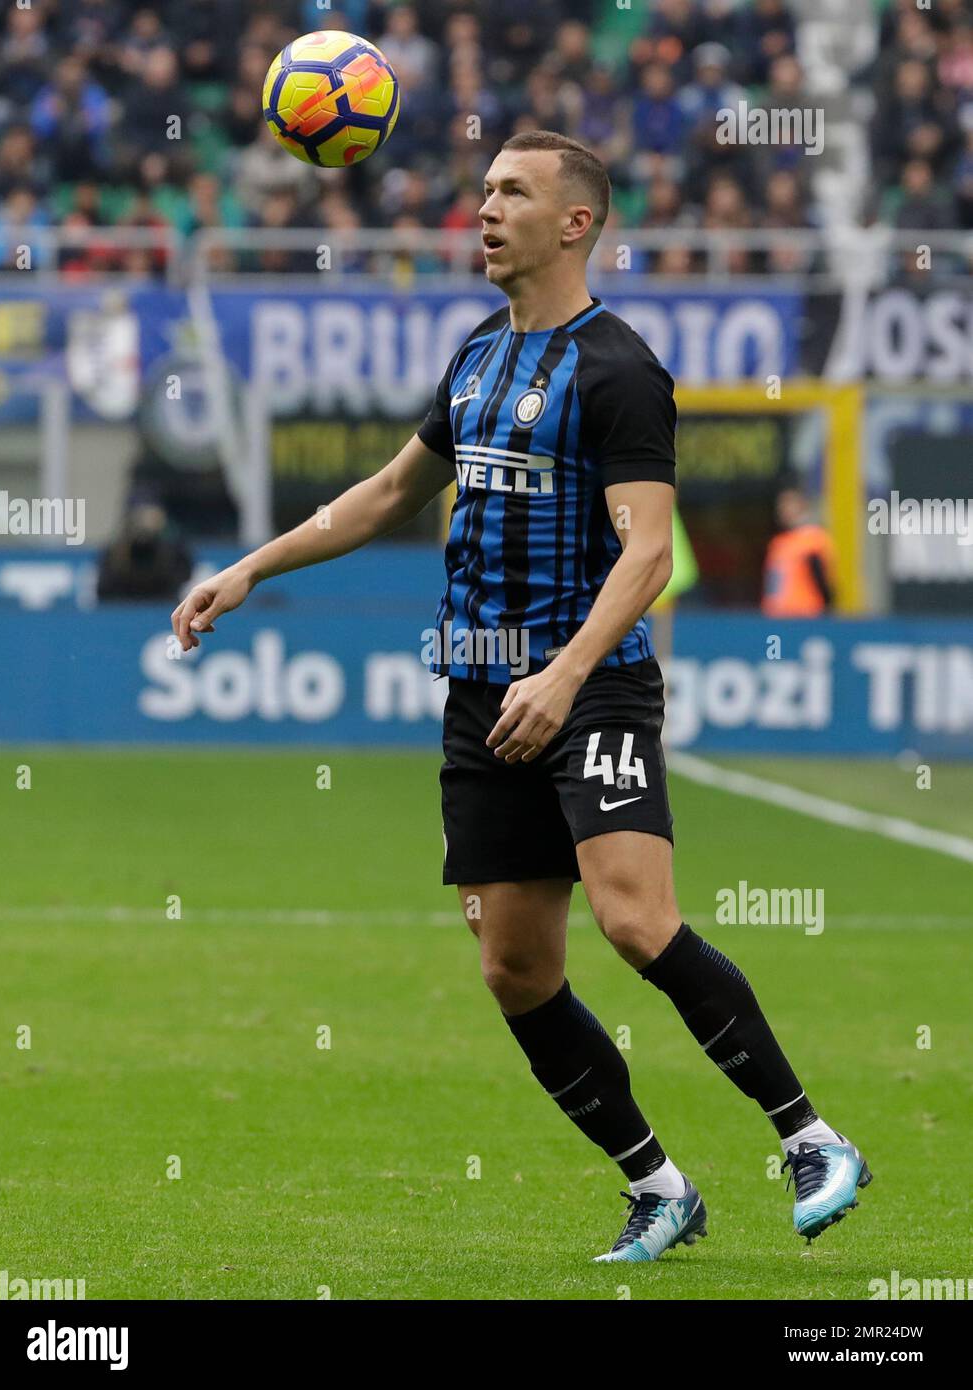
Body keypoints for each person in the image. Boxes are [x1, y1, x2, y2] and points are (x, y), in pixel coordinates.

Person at [171, 131, 871, 1263]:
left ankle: (810, 1137)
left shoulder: (620, 369)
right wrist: (252, 566)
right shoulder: (477, 359)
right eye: (484, 188)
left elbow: (647, 553)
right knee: (513, 966)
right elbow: (391, 490)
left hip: (589, 684)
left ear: (576, 222)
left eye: (512, 193)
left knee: (635, 918)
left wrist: (567, 672)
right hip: (481, 691)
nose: (485, 208)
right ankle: (659, 1186)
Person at [762, 485, 836, 616]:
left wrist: (828, 609)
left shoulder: (813, 539)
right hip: (777, 615)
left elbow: (822, 580)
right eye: (781, 505)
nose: (783, 510)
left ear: (802, 505)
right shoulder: (779, 543)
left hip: (805, 614)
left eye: (789, 504)